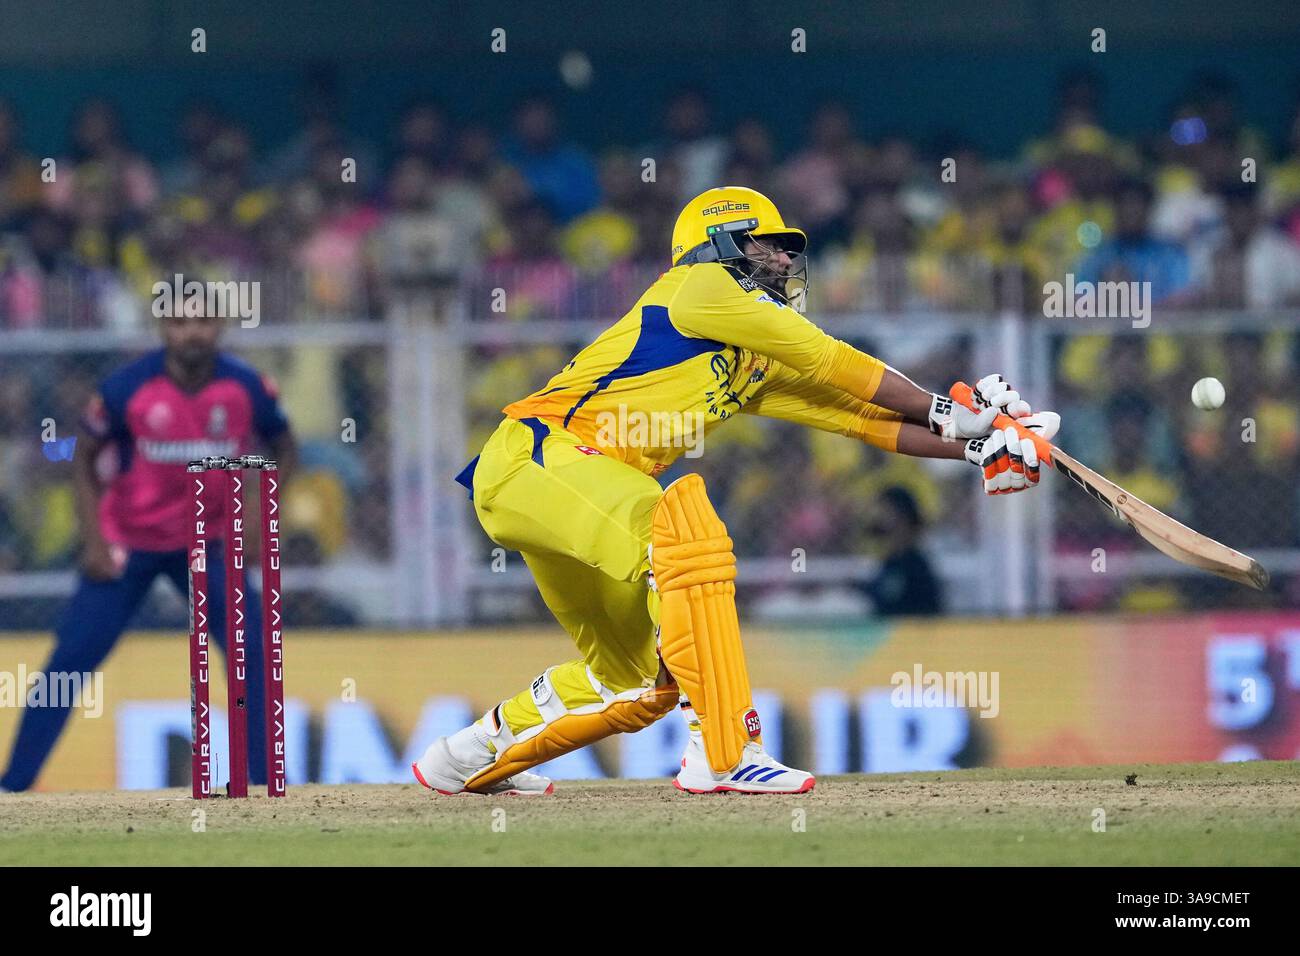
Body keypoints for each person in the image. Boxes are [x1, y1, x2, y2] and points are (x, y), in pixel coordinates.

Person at [413, 186, 1059, 796]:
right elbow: (832, 359)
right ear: (720, 245)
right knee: (682, 528)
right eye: (768, 244)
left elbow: (861, 417)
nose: (784, 258)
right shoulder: (699, 287)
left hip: (568, 490)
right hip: (534, 456)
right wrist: (950, 410)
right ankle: (725, 755)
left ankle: (470, 755)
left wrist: (979, 445)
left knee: (638, 682)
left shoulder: (747, 357)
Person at [0, 307, 296, 792]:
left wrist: (261, 515)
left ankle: (264, 784)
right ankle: (13, 788)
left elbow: (285, 447)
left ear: (218, 326)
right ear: (164, 329)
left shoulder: (247, 387)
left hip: (210, 541)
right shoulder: (126, 388)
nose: (192, 332)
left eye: (202, 322)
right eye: (181, 323)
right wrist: (95, 541)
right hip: (130, 541)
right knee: (70, 659)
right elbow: (83, 458)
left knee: (255, 654)